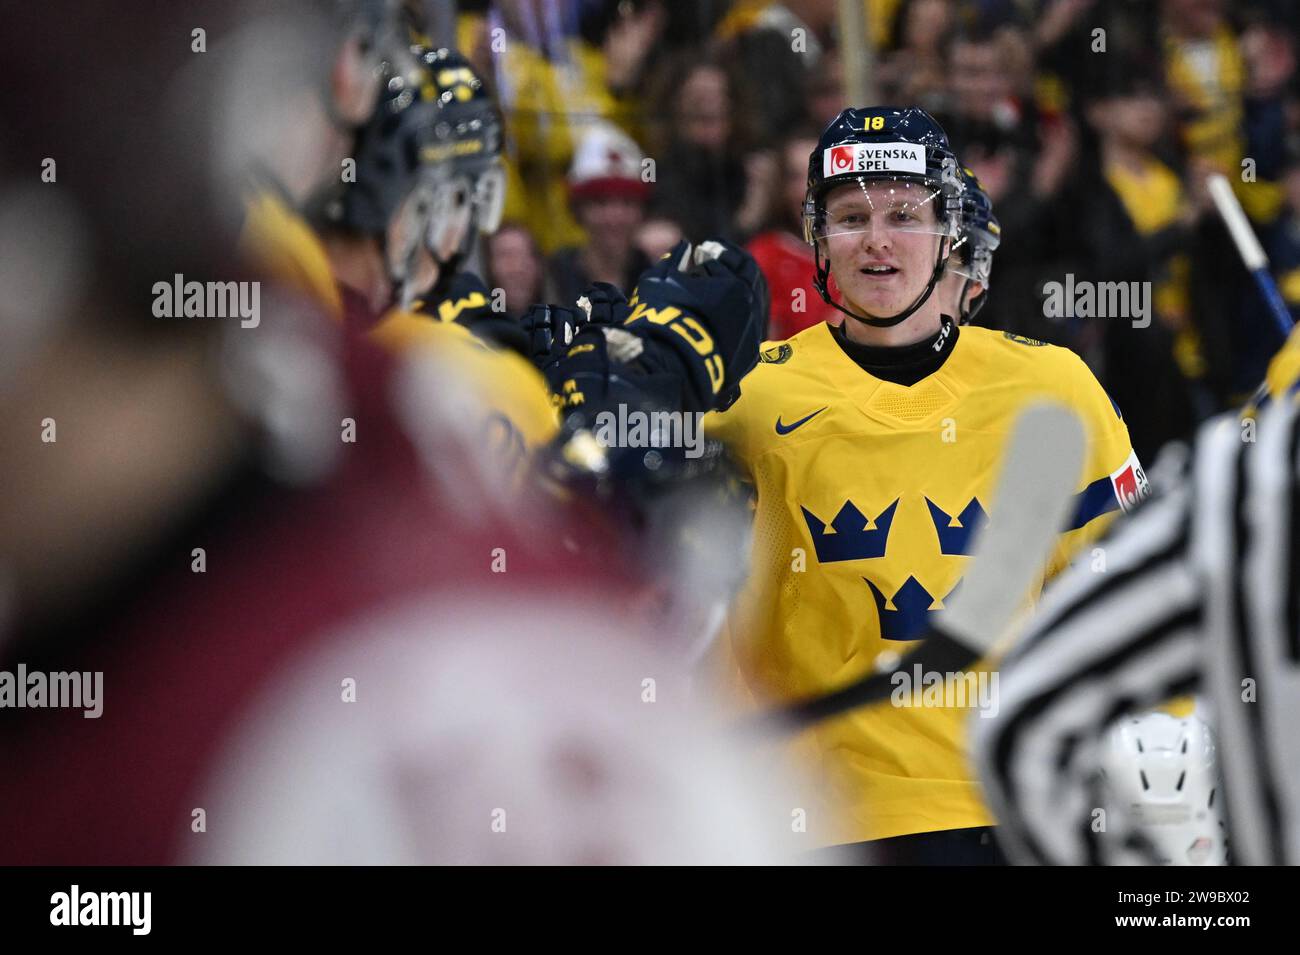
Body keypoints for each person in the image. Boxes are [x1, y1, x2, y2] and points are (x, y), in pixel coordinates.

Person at [703, 106, 1148, 860]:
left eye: (905, 213)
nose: (876, 240)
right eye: (850, 217)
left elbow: (1124, 603)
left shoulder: (1053, 386)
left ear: (950, 234)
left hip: (1022, 806)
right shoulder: (749, 398)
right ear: (818, 239)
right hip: (829, 820)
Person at [747, 132, 842, 340]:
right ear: (781, 188)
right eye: (795, 176)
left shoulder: (870, 250)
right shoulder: (765, 257)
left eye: (819, 174)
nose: (807, 189)